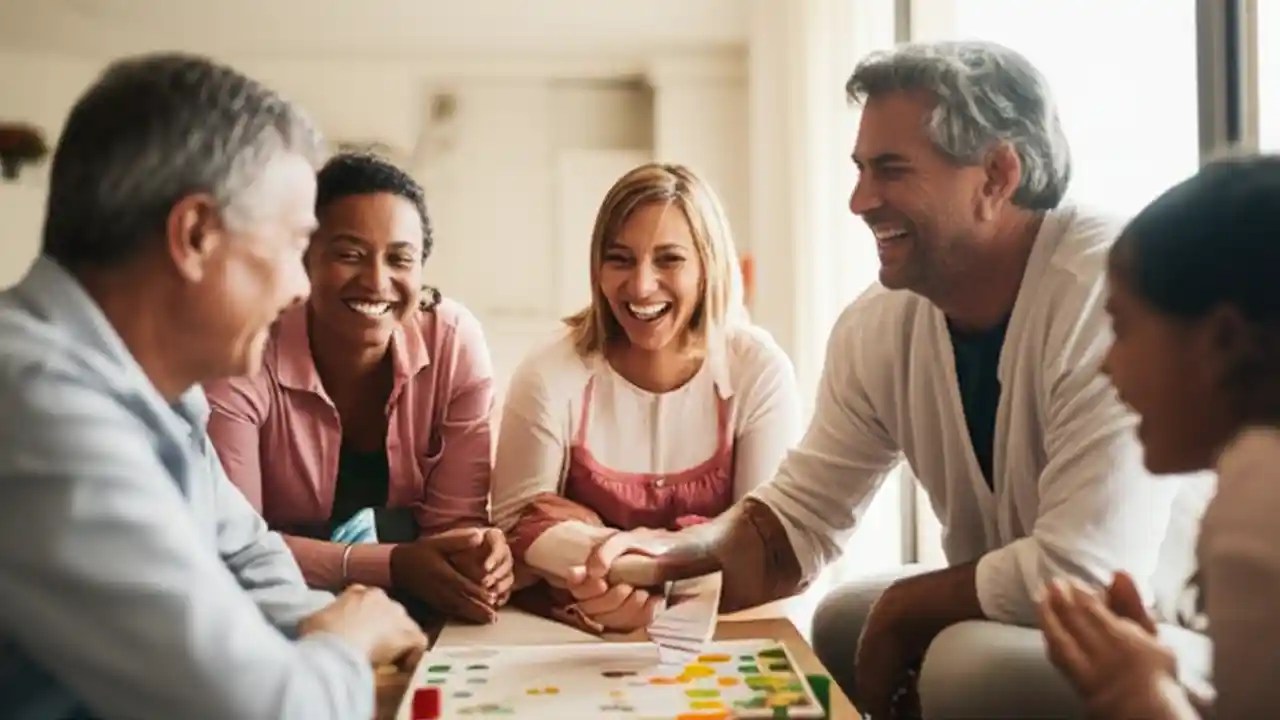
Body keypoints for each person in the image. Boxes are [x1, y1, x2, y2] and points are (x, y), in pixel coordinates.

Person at [579, 41, 1211, 718]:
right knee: (845, 619)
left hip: (1164, 629)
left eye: (891, 170)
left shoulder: (1109, 289)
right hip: (1045, 605)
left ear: (996, 175)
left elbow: (1085, 575)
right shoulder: (880, 324)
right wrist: (667, 559)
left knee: (966, 666)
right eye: (859, 170)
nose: (858, 200)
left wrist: (909, 609)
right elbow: (795, 520)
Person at [0, 53, 427, 720]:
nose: (297, 286)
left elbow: (248, 552)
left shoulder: (155, 393)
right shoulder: (35, 404)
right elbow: (262, 712)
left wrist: (324, 633)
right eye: (294, 245)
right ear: (196, 235)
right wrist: (346, 641)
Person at [489, 162, 801, 633]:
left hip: (723, 627)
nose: (640, 285)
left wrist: (631, 567)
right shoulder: (551, 369)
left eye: (669, 259)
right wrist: (671, 558)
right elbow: (515, 527)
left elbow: (766, 546)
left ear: (706, 267)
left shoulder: (757, 369)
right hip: (573, 630)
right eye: (620, 259)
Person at [205, 152, 511, 625]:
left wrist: (478, 554)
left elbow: (454, 525)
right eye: (349, 254)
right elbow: (234, 546)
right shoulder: (245, 346)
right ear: (304, 259)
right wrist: (391, 564)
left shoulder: (451, 340)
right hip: (264, 606)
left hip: (411, 607)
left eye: (400, 259)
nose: (376, 280)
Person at [1040, 155, 1280, 720]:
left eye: (1122, 328)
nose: (1105, 366)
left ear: (1221, 341)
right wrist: (1168, 683)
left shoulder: (1260, 497)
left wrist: (1139, 697)